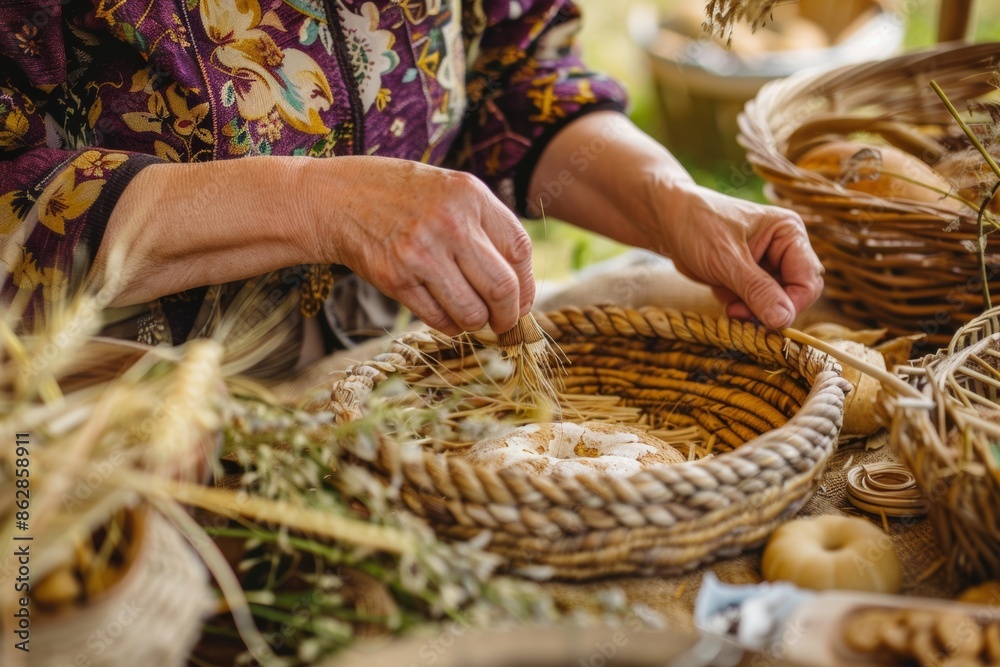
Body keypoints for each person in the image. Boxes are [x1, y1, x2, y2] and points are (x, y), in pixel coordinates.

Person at [0, 0, 822, 369]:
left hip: (382, 378)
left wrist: (669, 202)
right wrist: (325, 205)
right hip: (108, 423)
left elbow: (515, 75)